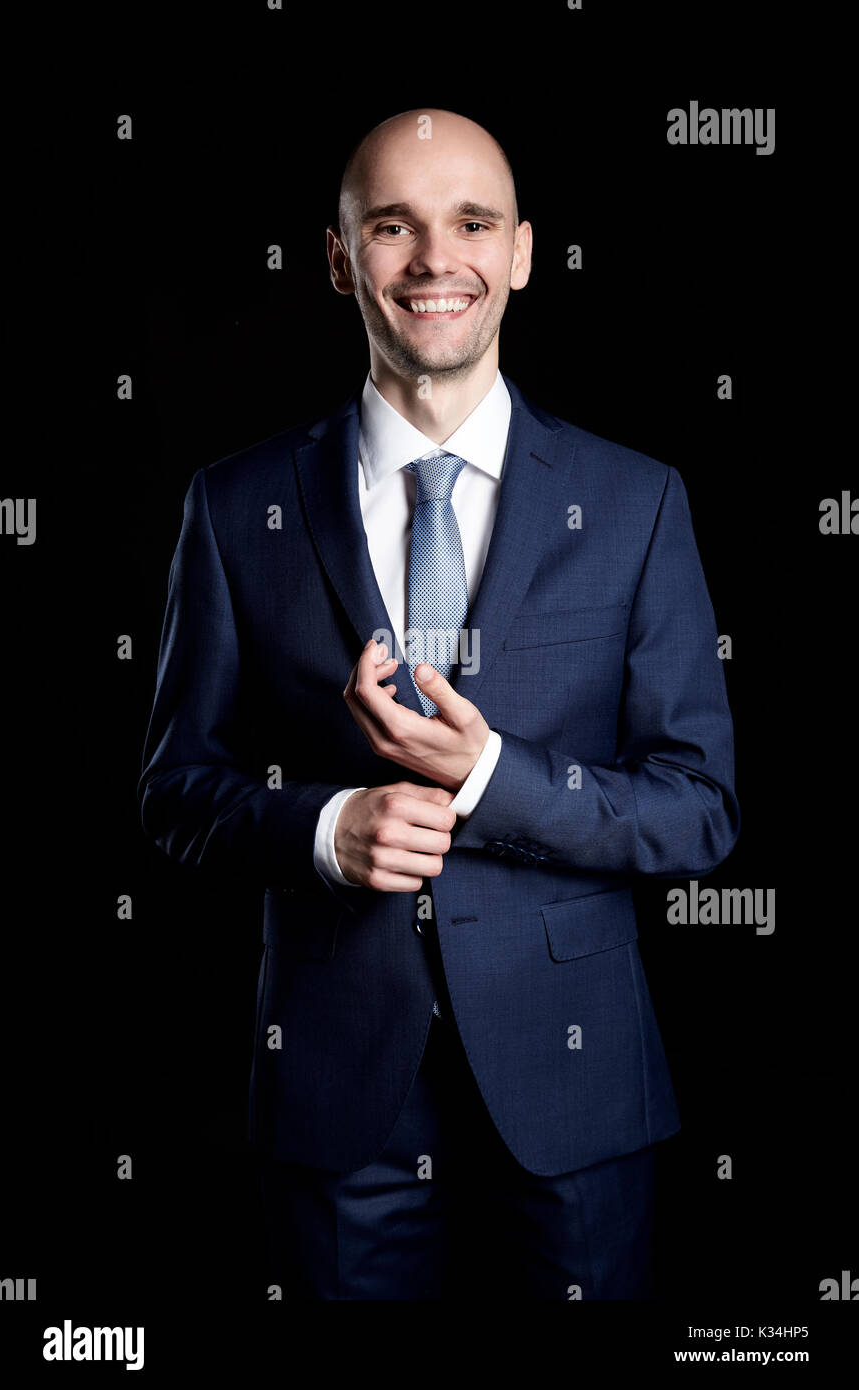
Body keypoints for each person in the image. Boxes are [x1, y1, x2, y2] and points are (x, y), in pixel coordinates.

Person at [138, 107, 739, 1300]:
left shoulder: (636, 501)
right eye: (391, 228)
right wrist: (321, 828)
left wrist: (486, 777)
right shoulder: (232, 505)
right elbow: (172, 792)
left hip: (576, 1099)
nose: (432, 261)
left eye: (471, 223)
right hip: (330, 1087)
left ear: (520, 251)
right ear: (334, 256)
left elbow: (699, 810)